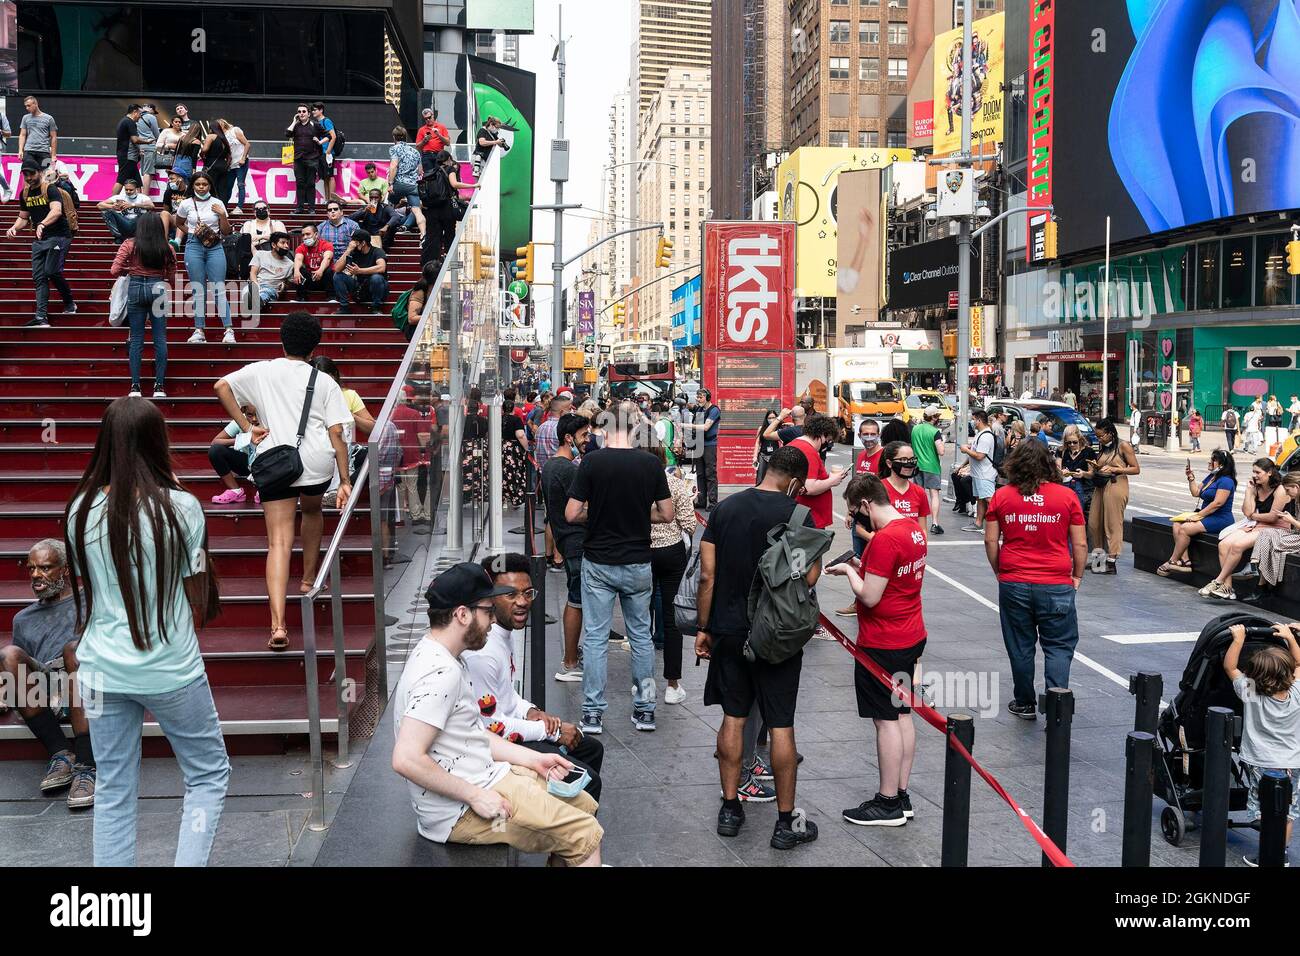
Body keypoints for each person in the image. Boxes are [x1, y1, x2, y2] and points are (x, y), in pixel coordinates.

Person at [65, 397, 229, 865]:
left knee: (113, 788)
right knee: (207, 776)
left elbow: (93, 580)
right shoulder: (182, 508)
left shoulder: (79, 509)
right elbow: (198, 591)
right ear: (159, 442)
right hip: (170, 667)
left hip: (100, 668)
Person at [391, 563, 603, 865]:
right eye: (488, 611)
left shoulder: (449, 658)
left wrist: (534, 759)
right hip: (459, 812)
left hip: (488, 776)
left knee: (583, 803)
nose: (493, 621)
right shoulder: (440, 672)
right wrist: (475, 796)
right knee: (586, 834)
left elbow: (473, 735)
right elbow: (406, 758)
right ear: (462, 614)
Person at [696, 446, 821, 847]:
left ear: (767, 468)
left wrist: (704, 628)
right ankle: (785, 824)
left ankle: (730, 808)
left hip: (730, 630)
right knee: (781, 723)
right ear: (797, 482)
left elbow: (707, 576)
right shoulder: (799, 516)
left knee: (733, 718)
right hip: (778, 636)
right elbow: (810, 579)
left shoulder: (725, 510)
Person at [214, 312, 353, 650]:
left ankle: (277, 626)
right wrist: (345, 479)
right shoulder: (325, 382)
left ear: (282, 338)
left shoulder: (262, 370)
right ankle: (307, 580)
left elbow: (221, 386)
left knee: (278, 541)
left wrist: (248, 429)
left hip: (275, 461)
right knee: (312, 511)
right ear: (314, 344)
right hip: (315, 463)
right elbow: (337, 432)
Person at [565, 402, 675, 735]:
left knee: (596, 638)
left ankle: (593, 714)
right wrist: (642, 516)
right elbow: (667, 514)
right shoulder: (650, 464)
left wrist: (595, 515)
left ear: (606, 428)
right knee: (641, 637)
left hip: (598, 562)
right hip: (638, 562)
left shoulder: (591, 462)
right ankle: (644, 711)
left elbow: (571, 514)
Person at [826, 472, 927, 827]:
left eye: (855, 512)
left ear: (867, 504)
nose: (854, 520)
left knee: (885, 721)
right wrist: (860, 566)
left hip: (884, 641)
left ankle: (886, 803)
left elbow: (869, 595)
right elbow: (894, 576)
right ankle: (901, 794)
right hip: (911, 632)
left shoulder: (885, 540)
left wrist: (847, 572)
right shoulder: (913, 528)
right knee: (902, 714)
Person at [465, 555, 605, 798]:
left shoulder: (503, 633)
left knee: (591, 749)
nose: (522, 602)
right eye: (511, 594)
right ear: (489, 597)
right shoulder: (484, 652)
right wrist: (551, 730)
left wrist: (530, 710)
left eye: (528, 593)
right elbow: (492, 727)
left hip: (512, 728)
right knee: (587, 780)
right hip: (495, 745)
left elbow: (506, 694)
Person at [984, 441, 1087, 719]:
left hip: (1014, 580)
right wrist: (1077, 575)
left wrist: (999, 571)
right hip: (1056, 582)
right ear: (1049, 464)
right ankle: (1056, 707)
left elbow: (991, 540)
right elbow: (1079, 545)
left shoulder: (1002, 496)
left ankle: (1025, 702)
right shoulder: (1066, 497)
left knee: (1020, 645)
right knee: (1059, 646)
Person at [0, 539, 95, 808]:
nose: (35, 576)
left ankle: (87, 765)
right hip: (48, 691)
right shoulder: (23, 618)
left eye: (44, 568)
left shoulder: (90, 600)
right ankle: (61, 754)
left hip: (88, 683)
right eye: (31, 569)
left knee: (74, 649)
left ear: (65, 570)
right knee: (8, 654)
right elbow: (19, 668)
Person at [1225, 622, 1300, 866]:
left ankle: (1267, 852)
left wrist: (1238, 640)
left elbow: (1230, 667)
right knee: (1286, 810)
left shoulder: (1250, 692)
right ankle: (1281, 852)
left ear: (1254, 675)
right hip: (1293, 763)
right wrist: (1290, 638)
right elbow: (1299, 664)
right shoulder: (1297, 692)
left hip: (1260, 762)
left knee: (1263, 806)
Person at [649, 442, 697, 704]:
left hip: (639, 552)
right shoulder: (676, 484)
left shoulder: (633, 485)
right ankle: (672, 684)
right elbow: (689, 523)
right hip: (671, 552)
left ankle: (642, 684)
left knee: (639, 620)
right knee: (672, 618)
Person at [543, 414, 590, 682]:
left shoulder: (551, 466)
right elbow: (578, 510)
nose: (588, 440)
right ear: (568, 438)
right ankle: (570, 662)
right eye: (584, 435)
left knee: (577, 599)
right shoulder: (569, 469)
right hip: (576, 542)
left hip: (566, 540)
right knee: (577, 600)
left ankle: (573, 653)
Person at [110, 212, 175, 399]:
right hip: (158, 286)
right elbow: (171, 275)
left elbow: (114, 270)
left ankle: (135, 386)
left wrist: (130, 269)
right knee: (160, 339)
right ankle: (159, 386)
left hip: (136, 287)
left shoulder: (129, 244)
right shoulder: (166, 247)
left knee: (137, 338)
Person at [1200, 459, 1285, 600]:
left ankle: (1218, 581)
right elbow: (1246, 511)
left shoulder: (1279, 489)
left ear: (1269, 473)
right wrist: (1249, 492)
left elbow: (1272, 518)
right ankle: (1227, 588)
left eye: (1258, 472)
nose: (1255, 475)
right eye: (1253, 472)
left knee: (1237, 545)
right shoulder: (1256, 487)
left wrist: (1253, 515)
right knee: (1223, 544)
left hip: (1275, 529)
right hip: (1255, 524)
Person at [6, 159, 77, 328]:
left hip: (59, 236)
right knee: (39, 277)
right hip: (40, 240)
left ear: (39, 172)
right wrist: (14, 228)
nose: (29, 177)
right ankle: (41, 317)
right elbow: (23, 218)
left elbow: (56, 211)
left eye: (32, 173)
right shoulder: (25, 194)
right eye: (26, 175)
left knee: (52, 271)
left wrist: (42, 223)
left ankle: (69, 303)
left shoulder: (50, 189)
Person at [173, 172, 233, 344]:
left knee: (219, 288)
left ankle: (228, 330)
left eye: (204, 184)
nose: (201, 187)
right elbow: (178, 223)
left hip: (215, 246)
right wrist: (192, 234)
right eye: (198, 184)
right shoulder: (186, 204)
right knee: (198, 289)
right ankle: (199, 330)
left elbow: (227, 231)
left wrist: (222, 214)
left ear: (209, 186)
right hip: (193, 246)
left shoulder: (217, 202)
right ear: (193, 185)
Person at [1157, 449, 1237, 576]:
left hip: (1220, 518)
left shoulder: (1226, 481)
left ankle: (1173, 560)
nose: (1209, 462)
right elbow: (1196, 492)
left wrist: (1198, 516)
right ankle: (1186, 561)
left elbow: (1218, 503)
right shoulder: (1212, 477)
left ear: (1221, 464)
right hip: (1206, 515)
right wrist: (1191, 478)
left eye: (1213, 460)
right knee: (1177, 524)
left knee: (1185, 529)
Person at [1085, 417, 1139, 574]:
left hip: (1116, 485)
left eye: (1101, 436)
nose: (1099, 439)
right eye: (1097, 436)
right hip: (1100, 485)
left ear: (1110, 433)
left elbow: (1136, 469)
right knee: (1094, 523)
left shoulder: (1123, 446)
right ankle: (1099, 559)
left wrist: (1116, 469)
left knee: (1113, 523)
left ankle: (1111, 561)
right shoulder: (1103, 448)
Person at [786, 415, 846, 531]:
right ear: (822, 434)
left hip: (798, 515)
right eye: (827, 440)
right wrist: (832, 481)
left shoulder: (794, 444)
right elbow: (810, 487)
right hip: (810, 518)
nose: (825, 445)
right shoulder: (808, 451)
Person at [208, 404, 261, 504]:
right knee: (215, 451)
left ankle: (265, 489)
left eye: (257, 415)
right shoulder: (240, 421)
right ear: (244, 413)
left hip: (266, 464)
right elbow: (215, 442)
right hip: (246, 463)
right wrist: (239, 440)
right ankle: (235, 490)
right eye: (250, 415)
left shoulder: (270, 420)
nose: (254, 419)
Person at [959, 410, 998, 533]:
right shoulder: (981, 434)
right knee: (981, 498)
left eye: (973, 419)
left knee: (989, 499)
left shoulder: (986, 436)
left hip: (985, 473)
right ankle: (978, 522)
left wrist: (966, 450)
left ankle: (995, 525)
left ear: (979, 420)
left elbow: (980, 455)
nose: (972, 422)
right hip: (978, 473)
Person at [331, 231, 388, 314]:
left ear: (363, 243)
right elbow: (337, 269)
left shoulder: (377, 251)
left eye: (355, 242)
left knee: (376, 278)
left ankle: (377, 307)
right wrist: (348, 250)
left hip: (376, 289)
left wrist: (360, 271)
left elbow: (382, 267)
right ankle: (344, 307)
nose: (352, 244)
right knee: (338, 276)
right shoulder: (354, 252)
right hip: (360, 289)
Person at [878, 440, 930, 532]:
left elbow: (922, 529)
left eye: (911, 459)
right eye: (903, 460)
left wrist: (922, 544)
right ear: (889, 463)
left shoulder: (920, 492)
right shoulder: (878, 489)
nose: (908, 464)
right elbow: (862, 528)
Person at [910, 406, 946, 535]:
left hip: (917, 465)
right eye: (937, 416)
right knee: (934, 494)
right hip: (932, 466)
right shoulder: (935, 432)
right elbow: (941, 451)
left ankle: (916, 521)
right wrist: (943, 443)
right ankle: (935, 523)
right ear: (934, 417)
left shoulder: (915, 429)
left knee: (918, 494)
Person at [683, 388, 721, 509]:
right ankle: (701, 500)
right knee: (700, 474)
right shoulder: (699, 409)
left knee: (710, 474)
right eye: (697, 397)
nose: (698, 399)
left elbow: (706, 427)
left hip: (709, 445)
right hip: (699, 444)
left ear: (708, 398)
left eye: (701, 397)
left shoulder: (714, 410)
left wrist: (687, 425)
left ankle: (713, 502)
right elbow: (689, 406)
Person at [285, 104, 326, 214]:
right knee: (300, 183)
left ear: (308, 113)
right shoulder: (296, 125)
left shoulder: (315, 125)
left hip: (312, 159)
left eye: (304, 111)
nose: (301, 113)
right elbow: (287, 133)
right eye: (299, 111)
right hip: (298, 159)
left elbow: (329, 136)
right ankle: (299, 208)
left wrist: (320, 141)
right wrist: (294, 121)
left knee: (311, 184)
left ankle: (312, 208)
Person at [1059, 424, 1097, 531]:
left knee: (1078, 520)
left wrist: (1083, 473)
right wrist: (1063, 472)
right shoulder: (1064, 452)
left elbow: (1092, 473)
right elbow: (1058, 469)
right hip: (1067, 488)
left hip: (1084, 490)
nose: (1071, 445)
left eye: (1074, 442)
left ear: (1080, 439)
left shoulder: (1088, 452)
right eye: (1068, 442)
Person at [97, 177, 154, 243]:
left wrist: (133, 205)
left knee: (145, 215)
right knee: (106, 211)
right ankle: (118, 236)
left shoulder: (142, 197)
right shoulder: (119, 197)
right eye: (126, 190)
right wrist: (112, 206)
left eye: (131, 190)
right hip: (124, 222)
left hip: (137, 223)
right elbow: (99, 205)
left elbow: (151, 206)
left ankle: (135, 236)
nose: (128, 192)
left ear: (136, 189)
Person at [249, 231, 296, 307]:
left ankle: (257, 300)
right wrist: (256, 286)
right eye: (283, 243)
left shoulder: (290, 264)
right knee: (247, 290)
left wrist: (285, 286)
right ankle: (257, 299)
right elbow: (252, 273)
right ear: (273, 245)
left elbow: (289, 283)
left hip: (273, 289)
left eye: (287, 243)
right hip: (258, 286)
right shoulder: (260, 254)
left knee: (268, 292)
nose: (286, 246)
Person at [291, 224, 335, 301]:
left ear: (316, 234)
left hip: (324, 279)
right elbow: (298, 259)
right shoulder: (301, 247)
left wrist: (320, 270)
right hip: (310, 279)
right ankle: (301, 298)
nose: (305, 237)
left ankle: (331, 297)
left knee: (329, 270)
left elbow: (327, 258)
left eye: (308, 234)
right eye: (303, 235)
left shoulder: (327, 245)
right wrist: (296, 271)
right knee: (298, 269)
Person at [501, 397, 530, 507]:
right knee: (514, 473)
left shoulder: (499, 419)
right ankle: (514, 497)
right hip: (513, 450)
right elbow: (520, 435)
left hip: (500, 448)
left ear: (503, 409)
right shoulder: (516, 420)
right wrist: (527, 448)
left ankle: (503, 499)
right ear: (514, 409)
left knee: (501, 473)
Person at [216, 118, 249, 212]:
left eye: (219, 124)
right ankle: (224, 206)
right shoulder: (221, 136)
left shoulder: (235, 130)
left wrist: (243, 158)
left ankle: (239, 207)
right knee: (228, 185)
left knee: (240, 184)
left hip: (240, 162)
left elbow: (247, 144)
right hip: (231, 164)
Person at [310, 103, 340, 206]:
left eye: (315, 110)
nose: (313, 112)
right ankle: (327, 199)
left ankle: (332, 199)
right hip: (320, 153)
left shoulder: (326, 121)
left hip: (328, 153)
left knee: (330, 176)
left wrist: (328, 151)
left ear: (321, 110)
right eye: (312, 110)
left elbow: (333, 136)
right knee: (325, 177)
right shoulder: (316, 123)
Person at [18, 96, 57, 169]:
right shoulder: (25, 118)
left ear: (35, 104)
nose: (27, 108)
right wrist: (20, 150)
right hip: (29, 151)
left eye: (29, 105)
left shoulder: (49, 118)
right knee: (28, 174)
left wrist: (53, 155)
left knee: (45, 175)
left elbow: (53, 137)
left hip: (44, 152)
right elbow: (22, 135)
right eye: (26, 106)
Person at [318, 200, 359, 265]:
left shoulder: (353, 225)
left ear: (341, 212)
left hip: (348, 261)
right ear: (327, 214)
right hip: (327, 263)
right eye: (330, 210)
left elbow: (358, 244)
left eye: (335, 209)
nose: (332, 211)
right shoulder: (321, 227)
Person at [114, 104, 145, 189]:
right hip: (128, 157)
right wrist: (148, 141)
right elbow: (135, 139)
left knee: (137, 182)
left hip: (128, 156)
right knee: (121, 180)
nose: (140, 117)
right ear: (135, 112)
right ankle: (112, 200)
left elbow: (128, 140)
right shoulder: (130, 122)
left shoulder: (123, 121)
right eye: (140, 114)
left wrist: (138, 150)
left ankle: (139, 201)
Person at [415, 108, 450, 176]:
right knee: (428, 176)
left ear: (433, 116)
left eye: (429, 117)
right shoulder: (421, 130)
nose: (428, 120)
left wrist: (439, 135)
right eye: (426, 119)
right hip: (427, 155)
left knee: (440, 175)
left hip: (439, 154)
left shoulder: (441, 127)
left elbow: (448, 143)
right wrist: (424, 140)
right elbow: (417, 147)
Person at [135, 104, 160, 196]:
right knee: (148, 172)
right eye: (154, 111)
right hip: (150, 146)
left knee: (143, 171)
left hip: (139, 147)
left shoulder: (135, 117)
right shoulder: (151, 117)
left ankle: (139, 194)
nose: (154, 113)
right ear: (150, 109)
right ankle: (144, 196)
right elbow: (156, 133)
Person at [754, 410, 780, 483]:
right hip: (763, 455)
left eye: (773, 417)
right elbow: (757, 443)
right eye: (769, 418)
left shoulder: (779, 429)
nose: (771, 419)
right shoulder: (761, 428)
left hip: (775, 456)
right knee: (760, 477)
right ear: (766, 419)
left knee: (774, 477)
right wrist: (755, 457)